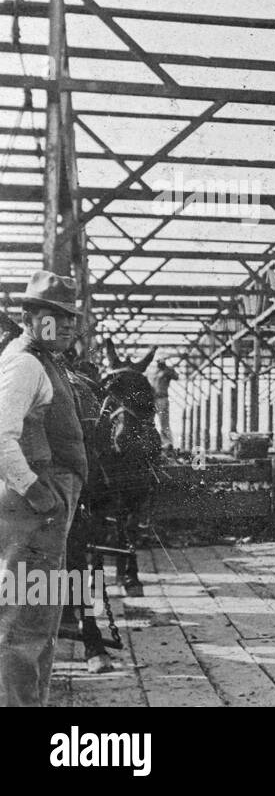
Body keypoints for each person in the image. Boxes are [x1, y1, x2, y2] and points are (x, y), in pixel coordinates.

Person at [0, 271, 88, 707]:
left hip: (44, 513)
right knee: (23, 625)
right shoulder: (26, 363)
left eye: (72, 317)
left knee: (39, 620)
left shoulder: (42, 358)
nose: (68, 325)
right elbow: (1, 435)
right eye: (55, 316)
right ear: (28, 317)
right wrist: (36, 491)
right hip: (32, 510)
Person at [147, 356, 179, 453]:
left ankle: (167, 444)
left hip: (162, 398)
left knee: (164, 423)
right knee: (149, 422)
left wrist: (169, 370)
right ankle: (151, 443)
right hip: (152, 399)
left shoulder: (166, 371)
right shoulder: (153, 372)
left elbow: (176, 376)